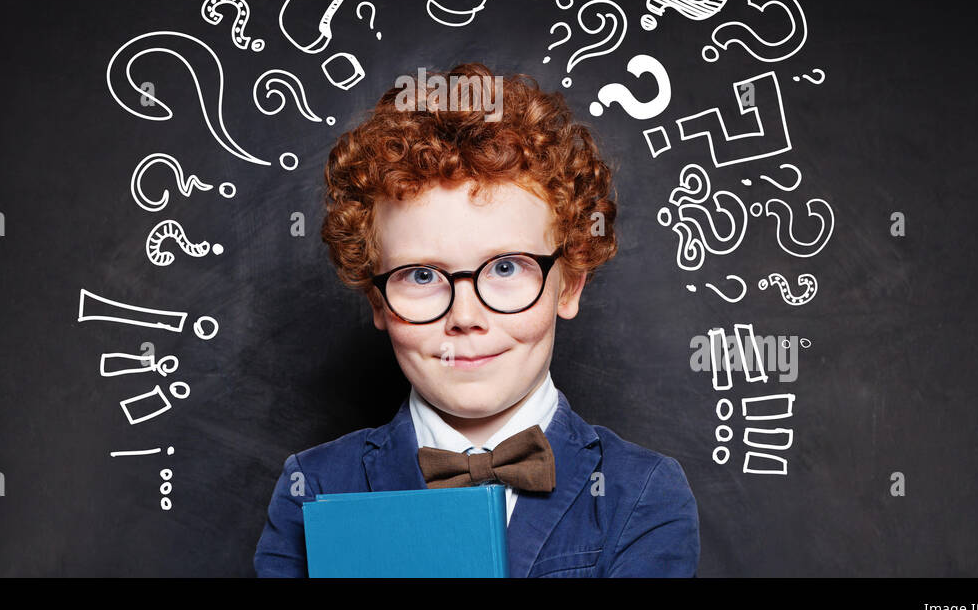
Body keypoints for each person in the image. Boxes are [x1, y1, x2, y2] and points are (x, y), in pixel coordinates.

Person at [253, 62, 700, 577]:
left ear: (570, 282)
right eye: (421, 276)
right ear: (378, 302)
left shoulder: (641, 494)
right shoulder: (312, 487)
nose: (466, 317)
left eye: (507, 267)